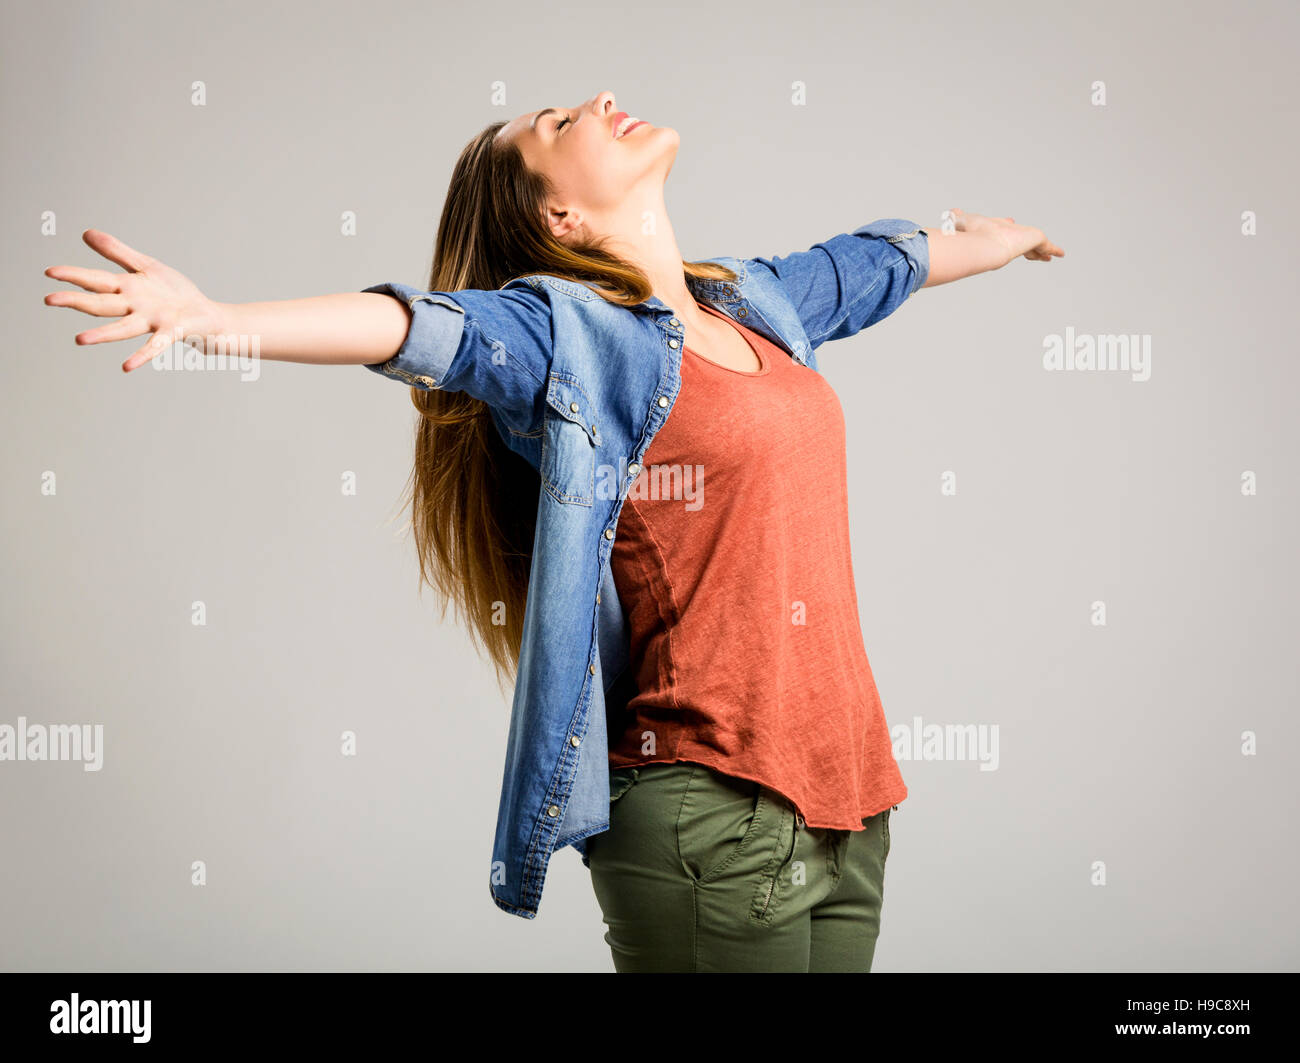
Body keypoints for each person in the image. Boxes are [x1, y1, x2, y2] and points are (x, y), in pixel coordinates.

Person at [43, 89, 1064, 972]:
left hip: (848, 804)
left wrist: (994, 244)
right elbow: (420, 328)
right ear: (559, 215)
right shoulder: (564, 336)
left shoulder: (751, 303)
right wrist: (215, 320)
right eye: (560, 123)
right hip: (713, 810)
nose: (599, 100)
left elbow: (871, 266)